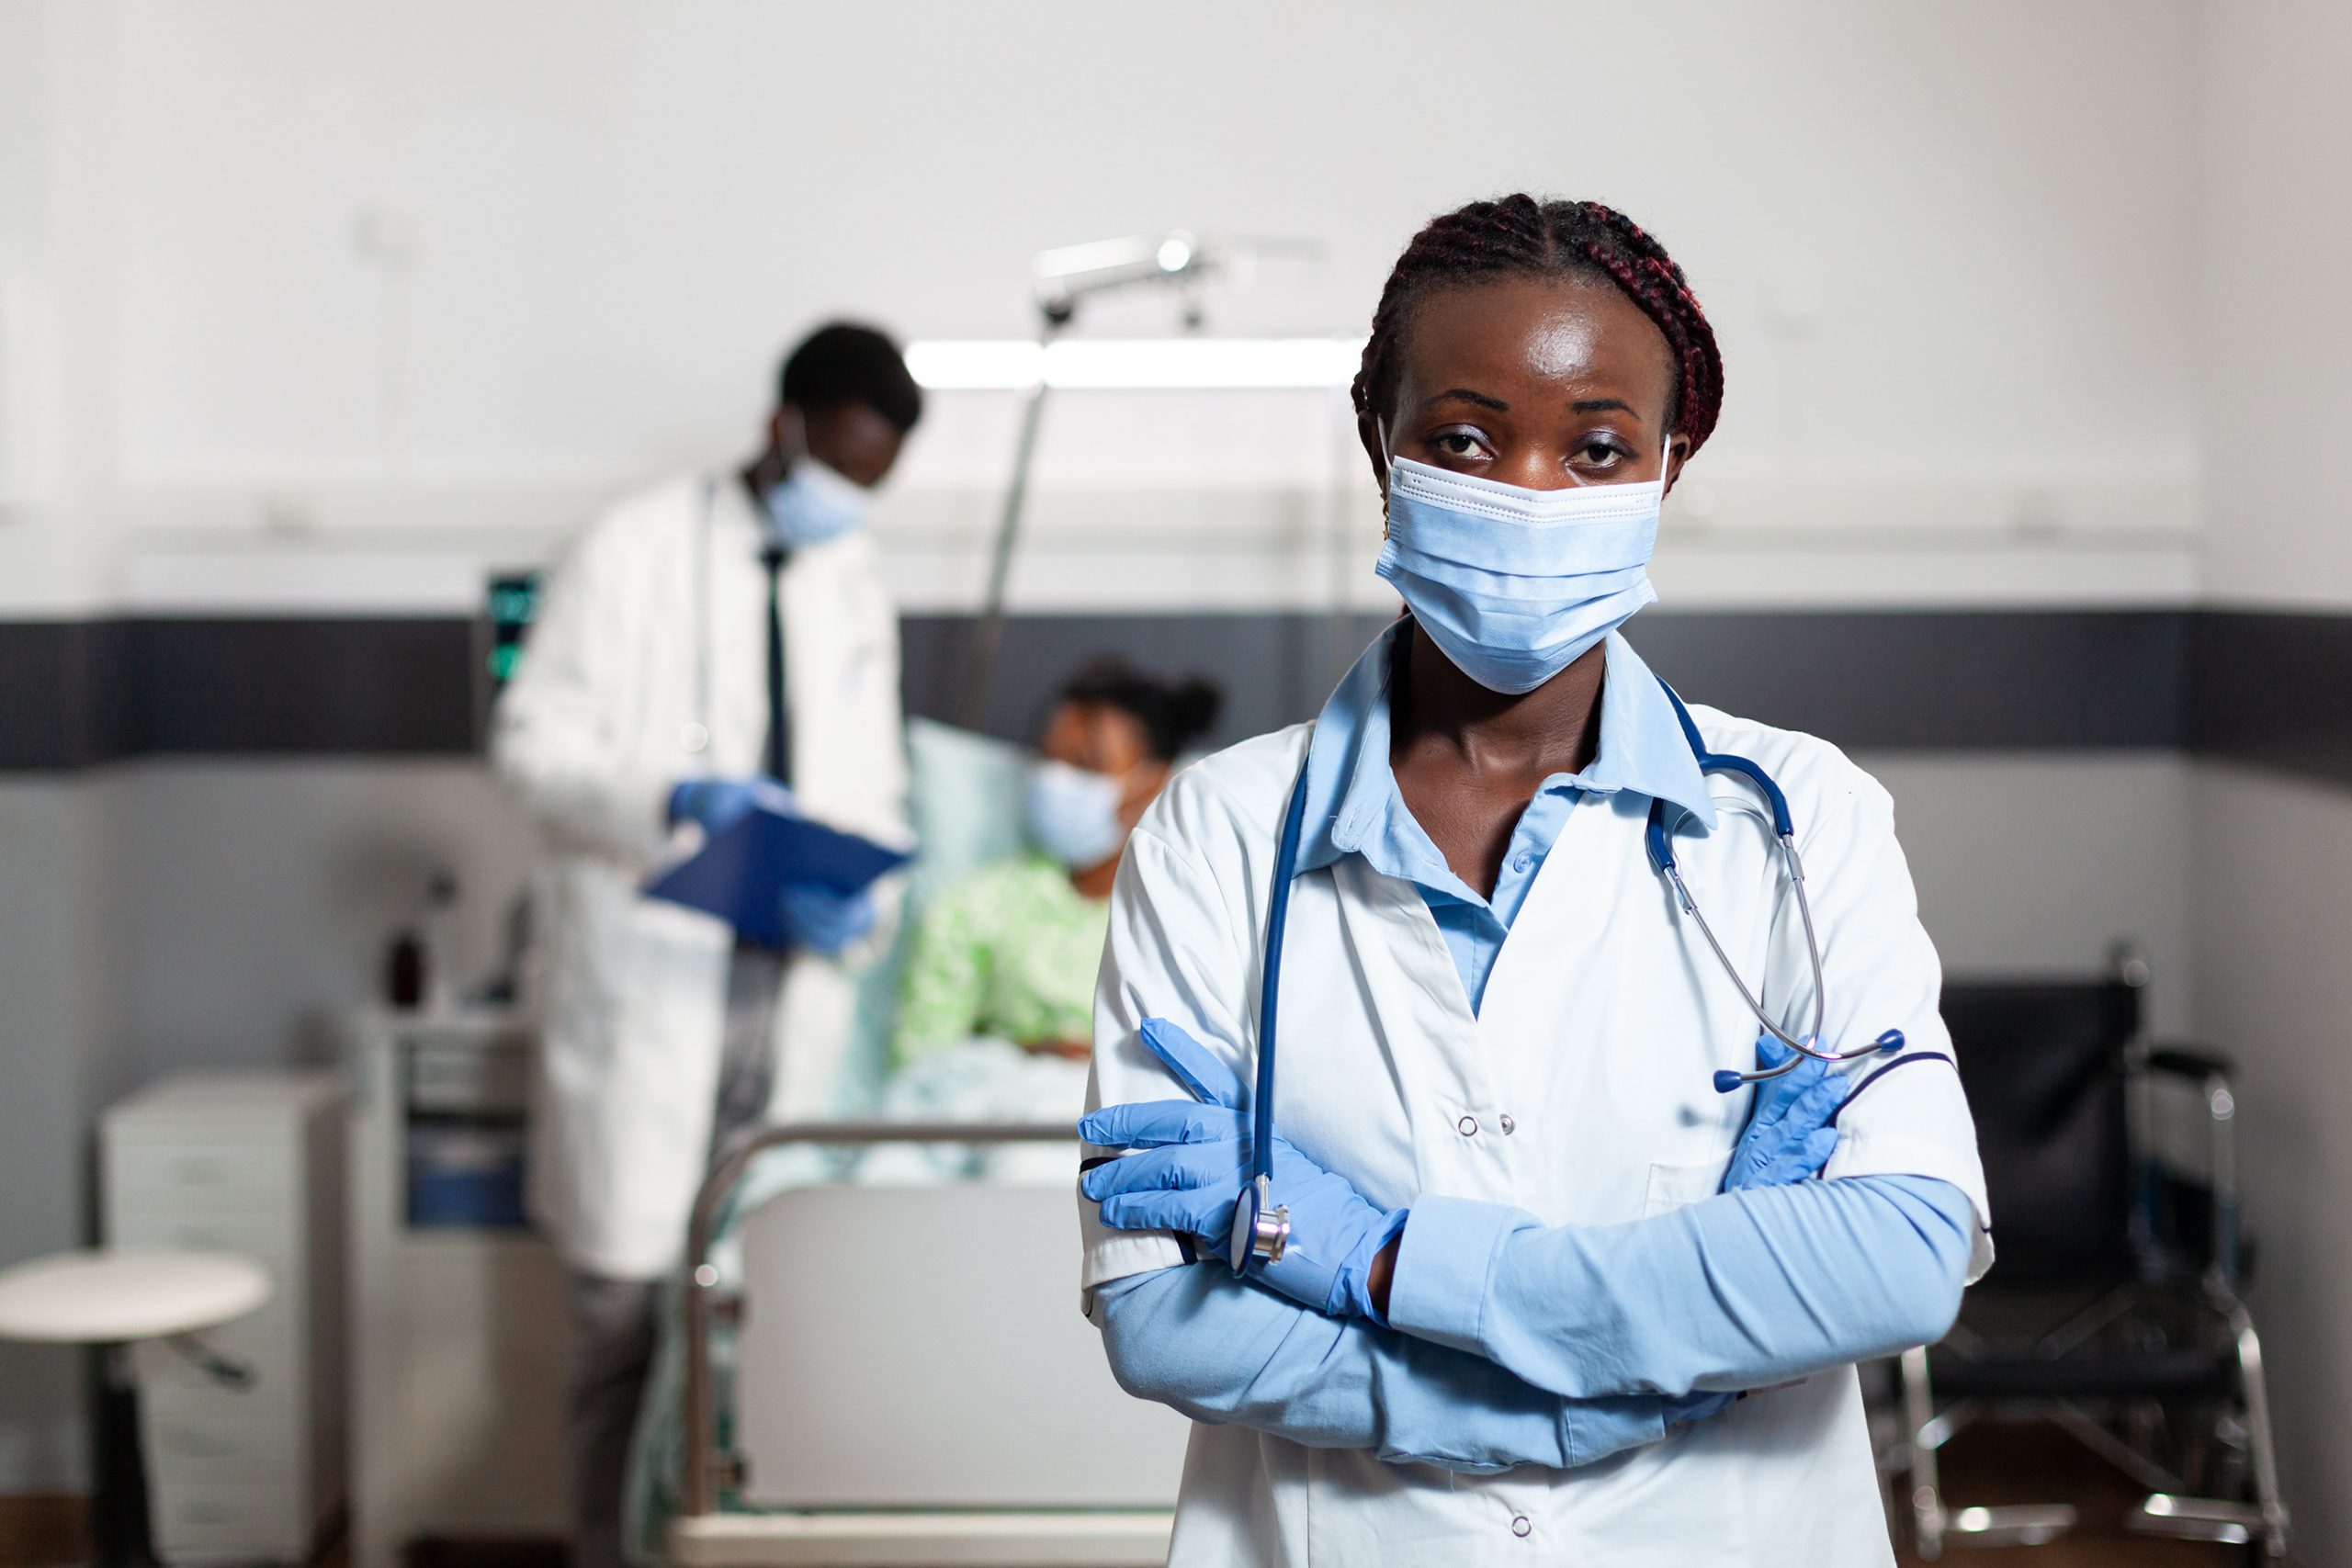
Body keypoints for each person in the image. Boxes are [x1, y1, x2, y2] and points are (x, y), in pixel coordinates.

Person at [1077, 197, 1989, 1566]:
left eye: (1597, 446)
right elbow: (1162, 1314)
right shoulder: (1218, 832)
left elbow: (1898, 1254)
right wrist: (1604, 1385)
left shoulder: (1802, 820)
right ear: (1378, 445)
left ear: (1665, 468)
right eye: (1463, 437)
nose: (1528, 490)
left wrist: (1382, 1259)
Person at [491, 321, 921, 1568]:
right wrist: (673, 797)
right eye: (840, 468)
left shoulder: (850, 582)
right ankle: (601, 1546)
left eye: (873, 482)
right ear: (783, 427)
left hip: (784, 1000)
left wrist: (864, 899)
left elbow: (878, 789)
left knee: (758, 1330)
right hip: (653, 991)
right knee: (625, 1327)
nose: (850, 502)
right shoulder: (629, 547)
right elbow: (531, 750)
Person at [892, 660, 1224, 1064]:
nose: (1057, 779)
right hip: (1003, 1112)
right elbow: (920, 1067)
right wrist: (1033, 1057)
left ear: (1154, 782)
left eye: (1086, 764)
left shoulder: (1198, 922)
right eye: (1048, 758)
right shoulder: (974, 908)